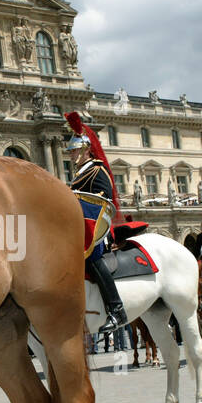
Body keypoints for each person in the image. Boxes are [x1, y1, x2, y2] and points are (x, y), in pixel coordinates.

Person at [65, 113, 127, 332]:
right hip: (79, 228)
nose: (71, 155)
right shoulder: (80, 174)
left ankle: (116, 310)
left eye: (73, 151)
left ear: (85, 150)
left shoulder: (97, 170)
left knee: (92, 257)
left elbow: (103, 201)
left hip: (95, 231)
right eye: (70, 151)